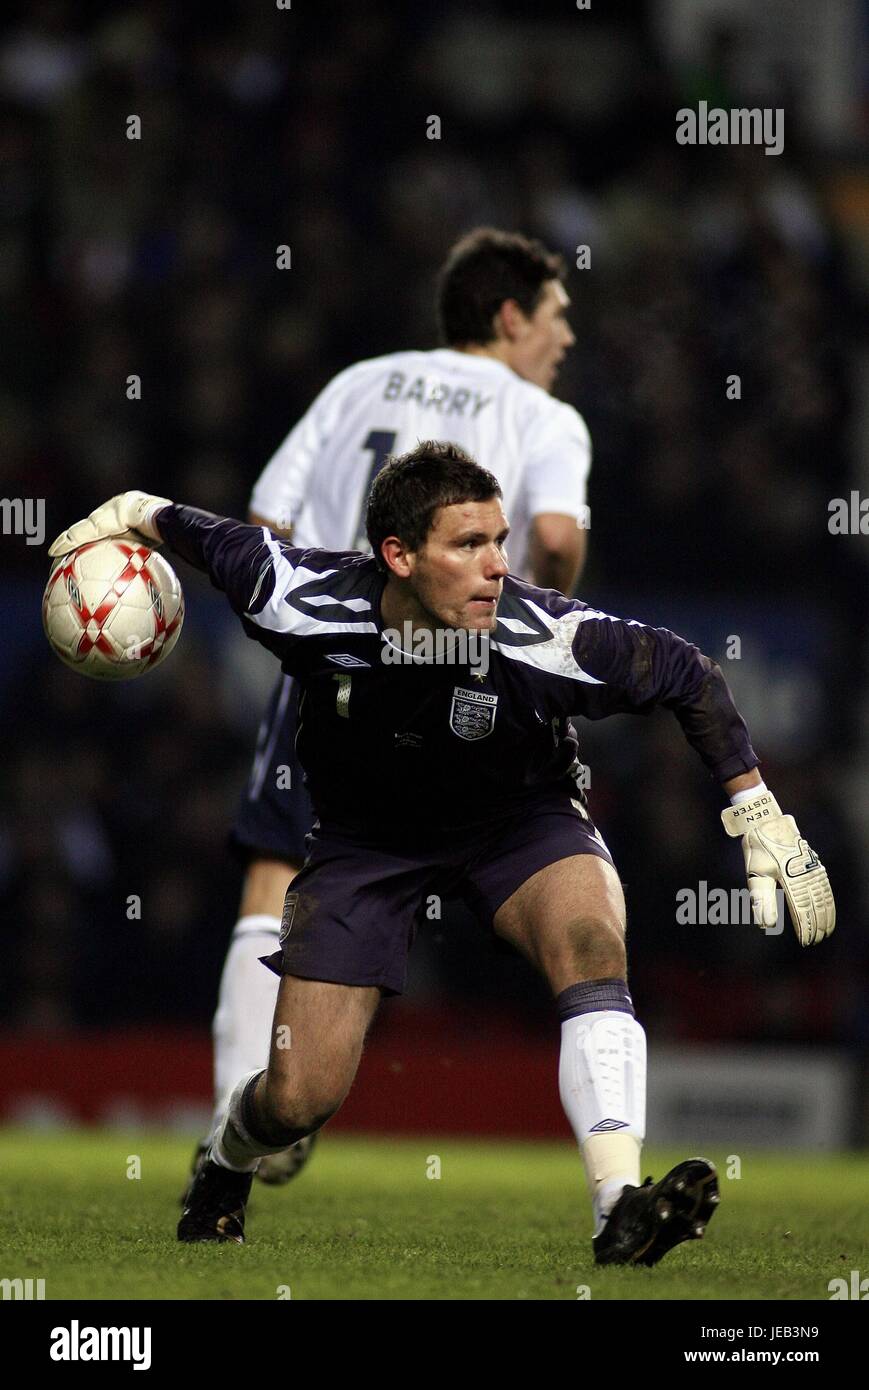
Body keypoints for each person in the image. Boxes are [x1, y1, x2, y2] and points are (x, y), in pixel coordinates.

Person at [48, 448, 835, 1265]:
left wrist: (755, 807)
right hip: (366, 845)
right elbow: (214, 541)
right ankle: (224, 1163)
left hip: (518, 823)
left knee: (592, 941)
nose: (498, 565)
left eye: (499, 540)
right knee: (296, 1100)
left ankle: (618, 1208)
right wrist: (137, 508)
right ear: (397, 555)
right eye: (468, 544)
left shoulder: (537, 632)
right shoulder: (303, 598)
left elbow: (685, 671)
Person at [217, 228, 590, 1185]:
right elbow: (551, 535)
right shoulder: (540, 414)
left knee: (273, 880)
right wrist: (536, 624)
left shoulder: (358, 382)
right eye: (557, 316)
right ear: (510, 317)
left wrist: (319, 609)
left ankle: (246, 1127)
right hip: (467, 679)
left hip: (336, 666)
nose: (567, 338)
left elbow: (266, 515)